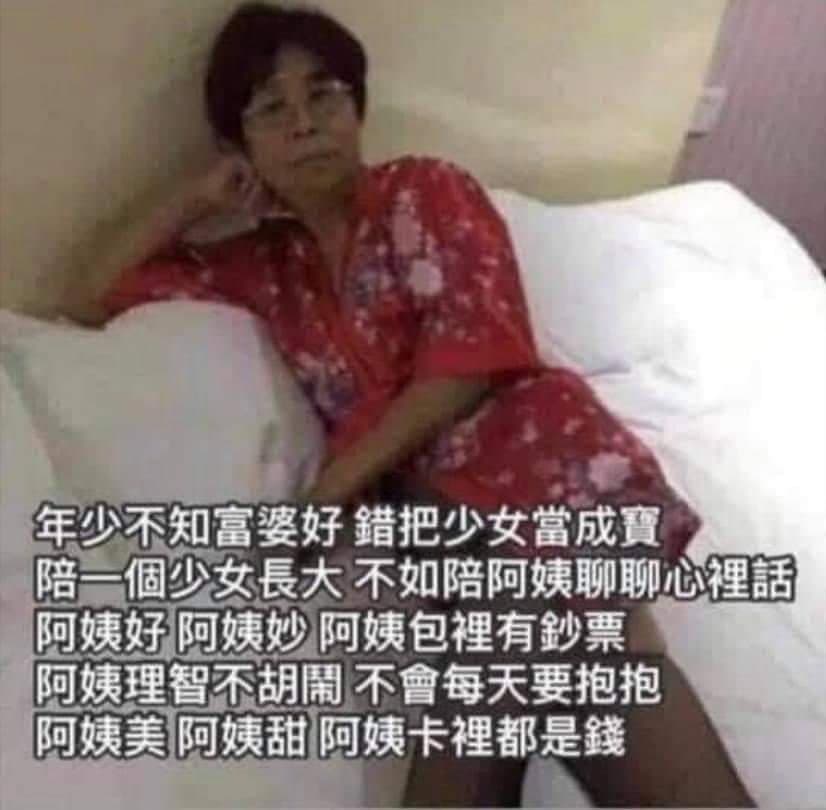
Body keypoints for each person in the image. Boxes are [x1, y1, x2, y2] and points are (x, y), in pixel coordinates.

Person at [61, 3, 755, 807]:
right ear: (240, 145)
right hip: (455, 545)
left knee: (491, 695)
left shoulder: (427, 190)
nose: (304, 123)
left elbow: (470, 360)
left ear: (358, 108)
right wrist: (195, 196)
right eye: (271, 109)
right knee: (605, 689)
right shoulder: (268, 270)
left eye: (324, 95)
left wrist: (327, 495)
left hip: (548, 484)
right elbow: (94, 291)